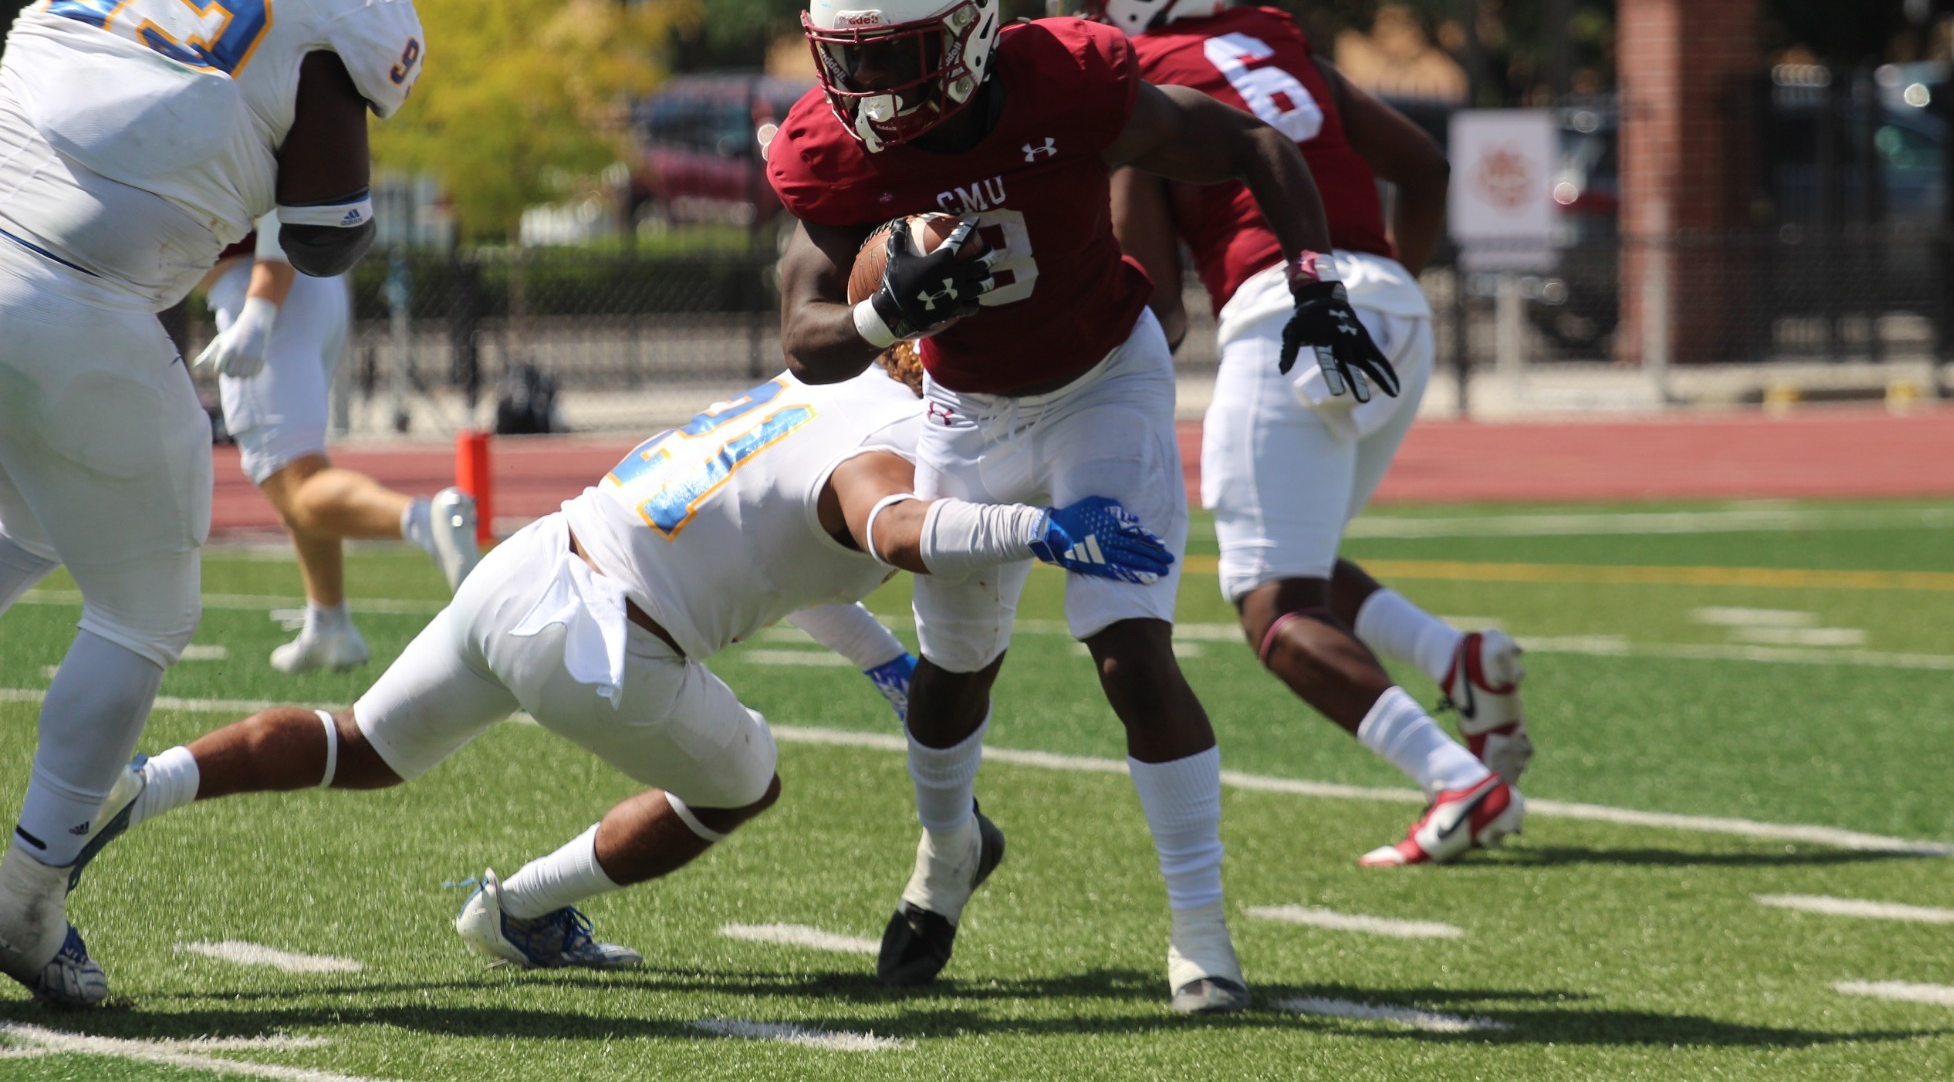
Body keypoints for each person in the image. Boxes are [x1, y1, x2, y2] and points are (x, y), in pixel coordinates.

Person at [770, 0, 1396, 1014]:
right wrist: (883, 320)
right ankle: (945, 852)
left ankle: (1202, 934)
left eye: (895, 59)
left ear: (966, 33)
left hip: (1104, 376)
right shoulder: (828, 147)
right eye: (846, 60)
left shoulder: (1067, 80)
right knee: (956, 671)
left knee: (1128, 653)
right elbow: (805, 337)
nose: (867, 90)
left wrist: (1313, 281)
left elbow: (1252, 142)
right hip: (964, 404)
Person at [73, 356, 1176, 969]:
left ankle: (149, 782)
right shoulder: (891, 441)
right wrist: (1039, 531)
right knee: (746, 780)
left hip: (532, 560)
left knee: (359, 743)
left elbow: (791, 558)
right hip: (603, 635)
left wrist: (884, 665)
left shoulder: (812, 389)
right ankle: (521, 910)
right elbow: (886, 525)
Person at [0, 0, 435, 1005]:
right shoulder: (334, 8)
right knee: (143, 607)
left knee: (29, 519)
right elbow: (336, 230)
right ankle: (27, 898)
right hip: (75, 299)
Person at [1045, 0, 1531, 867]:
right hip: (1387, 305)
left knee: (1270, 601)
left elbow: (1149, 284)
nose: (1081, 20)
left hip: (1282, 310)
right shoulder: (1277, 45)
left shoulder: (1142, 79)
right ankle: (1455, 659)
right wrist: (1383, 288)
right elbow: (1425, 167)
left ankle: (1457, 779)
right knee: (1293, 554)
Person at [196, 211, 479, 671]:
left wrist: (258, 312)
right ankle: (329, 623)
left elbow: (274, 197)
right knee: (302, 472)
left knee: (293, 481)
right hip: (310, 286)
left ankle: (423, 521)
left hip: (263, 287)